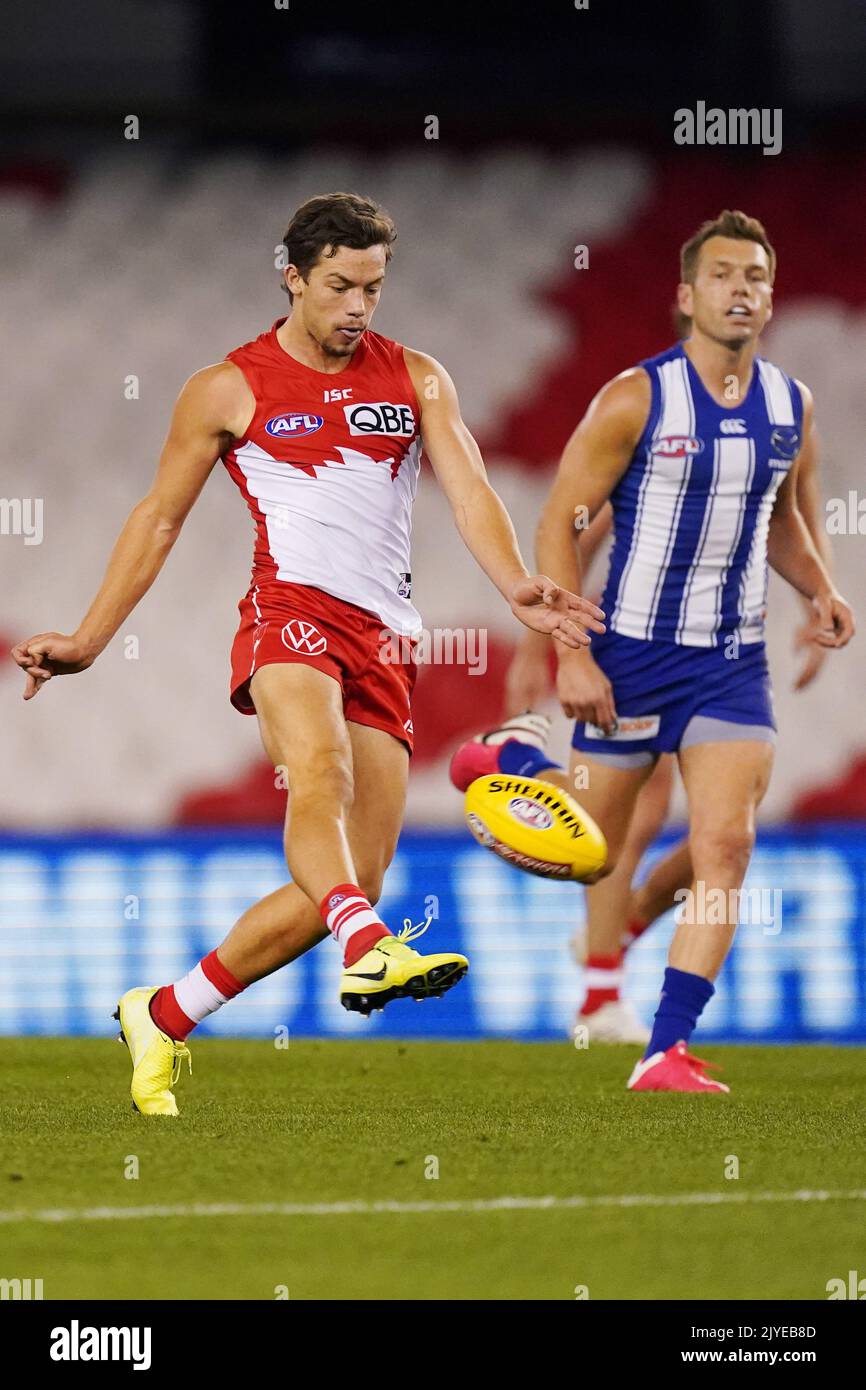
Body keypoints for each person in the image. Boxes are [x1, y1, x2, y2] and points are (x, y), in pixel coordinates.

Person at [12, 192, 604, 1115]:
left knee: (348, 881)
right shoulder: (227, 388)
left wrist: (516, 583)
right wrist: (90, 639)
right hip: (286, 615)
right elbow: (159, 517)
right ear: (293, 276)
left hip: (383, 640)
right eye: (340, 285)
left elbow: (470, 488)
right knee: (317, 774)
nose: (360, 305)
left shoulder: (416, 376)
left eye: (373, 285)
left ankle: (164, 1013)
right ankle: (368, 947)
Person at [451, 209, 855, 1091]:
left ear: (770, 295)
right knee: (590, 848)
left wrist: (819, 590)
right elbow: (562, 522)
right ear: (687, 295)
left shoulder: (793, 405)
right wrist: (569, 654)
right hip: (629, 652)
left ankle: (663, 1047)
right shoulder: (635, 399)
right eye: (722, 275)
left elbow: (782, 518)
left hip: (730, 662)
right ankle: (515, 757)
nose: (741, 288)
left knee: (726, 845)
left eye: (755, 276)